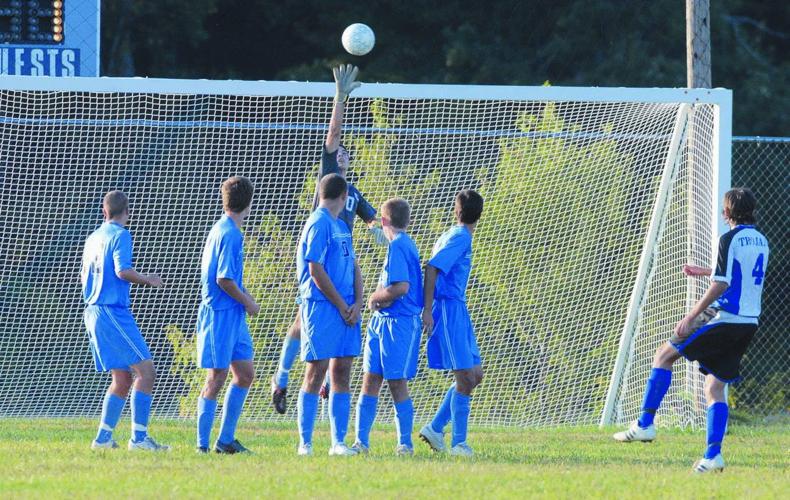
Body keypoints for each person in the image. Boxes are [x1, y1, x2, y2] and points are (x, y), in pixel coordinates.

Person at [613, 187, 769, 473]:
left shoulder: (729, 237)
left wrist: (692, 315)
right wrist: (706, 271)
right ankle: (713, 456)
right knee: (714, 386)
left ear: (726, 213)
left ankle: (645, 424)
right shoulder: (761, 240)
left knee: (663, 355)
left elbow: (723, 285)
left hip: (724, 315)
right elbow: (741, 274)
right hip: (748, 322)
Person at [270, 64, 384, 414]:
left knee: (329, 333)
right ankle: (282, 375)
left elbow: (373, 221)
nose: (343, 154)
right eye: (340, 152)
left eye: (348, 153)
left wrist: (383, 235)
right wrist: (340, 97)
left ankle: (311, 390)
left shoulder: (355, 193)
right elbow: (334, 133)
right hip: (319, 253)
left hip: (341, 261)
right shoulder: (330, 179)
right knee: (304, 320)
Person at [81, 190, 169, 451]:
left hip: (92, 311)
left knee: (122, 378)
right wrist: (148, 279)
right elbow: (122, 271)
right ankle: (139, 439)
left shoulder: (93, 237)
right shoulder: (120, 234)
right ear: (127, 213)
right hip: (110, 310)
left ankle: (103, 439)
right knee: (147, 371)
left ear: (103, 210)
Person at [295, 173, 364, 456]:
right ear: (343, 196)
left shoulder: (341, 226)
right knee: (316, 371)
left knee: (342, 372)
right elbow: (315, 269)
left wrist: (358, 302)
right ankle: (305, 443)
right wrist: (339, 304)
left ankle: (338, 442)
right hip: (323, 308)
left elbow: (354, 266)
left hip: (347, 310)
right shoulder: (318, 223)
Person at [352, 198, 423, 456]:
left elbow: (401, 288)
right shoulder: (398, 244)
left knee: (396, 383)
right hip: (381, 323)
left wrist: (374, 298)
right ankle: (361, 442)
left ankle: (405, 444)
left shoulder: (400, 247)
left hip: (400, 324)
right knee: (370, 379)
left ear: (383, 222)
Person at [195, 176, 260, 454]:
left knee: (245, 374)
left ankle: (226, 440)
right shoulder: (229, 233)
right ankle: (201, 446)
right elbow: (224, 279)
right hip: (219, 315)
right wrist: (248, 302)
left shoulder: (227, 229)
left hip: (233, 318)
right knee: (217, 377)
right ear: (249, 204)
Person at [418, 190, 485, 457]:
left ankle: (435, 427)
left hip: (458, 308)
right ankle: (459, 444)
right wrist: (428, 309)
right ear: (479, 215)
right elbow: (432, 267)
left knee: (475, 375)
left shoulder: (455, 234)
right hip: (447, 308)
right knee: (465, 376)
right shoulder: (459, 237)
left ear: (456, 211)